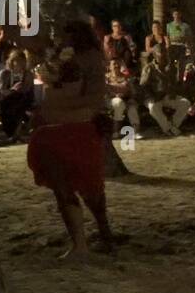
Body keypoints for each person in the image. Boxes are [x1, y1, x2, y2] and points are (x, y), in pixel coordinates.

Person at [27, 17, 113, 259]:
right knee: (62, 187)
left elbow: (94, 97)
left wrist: (59, 104)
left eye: (62, 33)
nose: (58, 38)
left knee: (90, 189)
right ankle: (80, 244)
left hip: (78, 127)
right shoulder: (57, 58)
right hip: (54, 130)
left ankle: (103, 236)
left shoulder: (90, 60)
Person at [140, 45, 190, 135]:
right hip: (153, 96)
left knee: (185, 103)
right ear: (155, 55)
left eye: (165, 53)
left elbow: (174, 82)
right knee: (153, 108)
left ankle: (172, 126)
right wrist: (152, 96)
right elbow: (143, 86)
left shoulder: (171, 67)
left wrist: (173, 91)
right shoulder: (149, 68)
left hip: (166, 96)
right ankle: (168, 129)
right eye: (160, 53)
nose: (163, 55)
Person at [106, 59, 141, 139]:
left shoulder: (126, 77)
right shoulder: (106, 78)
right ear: (109, 67)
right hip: (110, 100)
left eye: (118, 64)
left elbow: (133, 91)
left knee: (132, 108)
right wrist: (115, 95)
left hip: (126, 99)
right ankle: (116, 130)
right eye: (114, 64)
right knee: (118, 103)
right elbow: (104, 91)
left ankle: (136, 132)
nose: (116, 66)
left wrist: (131, 98)